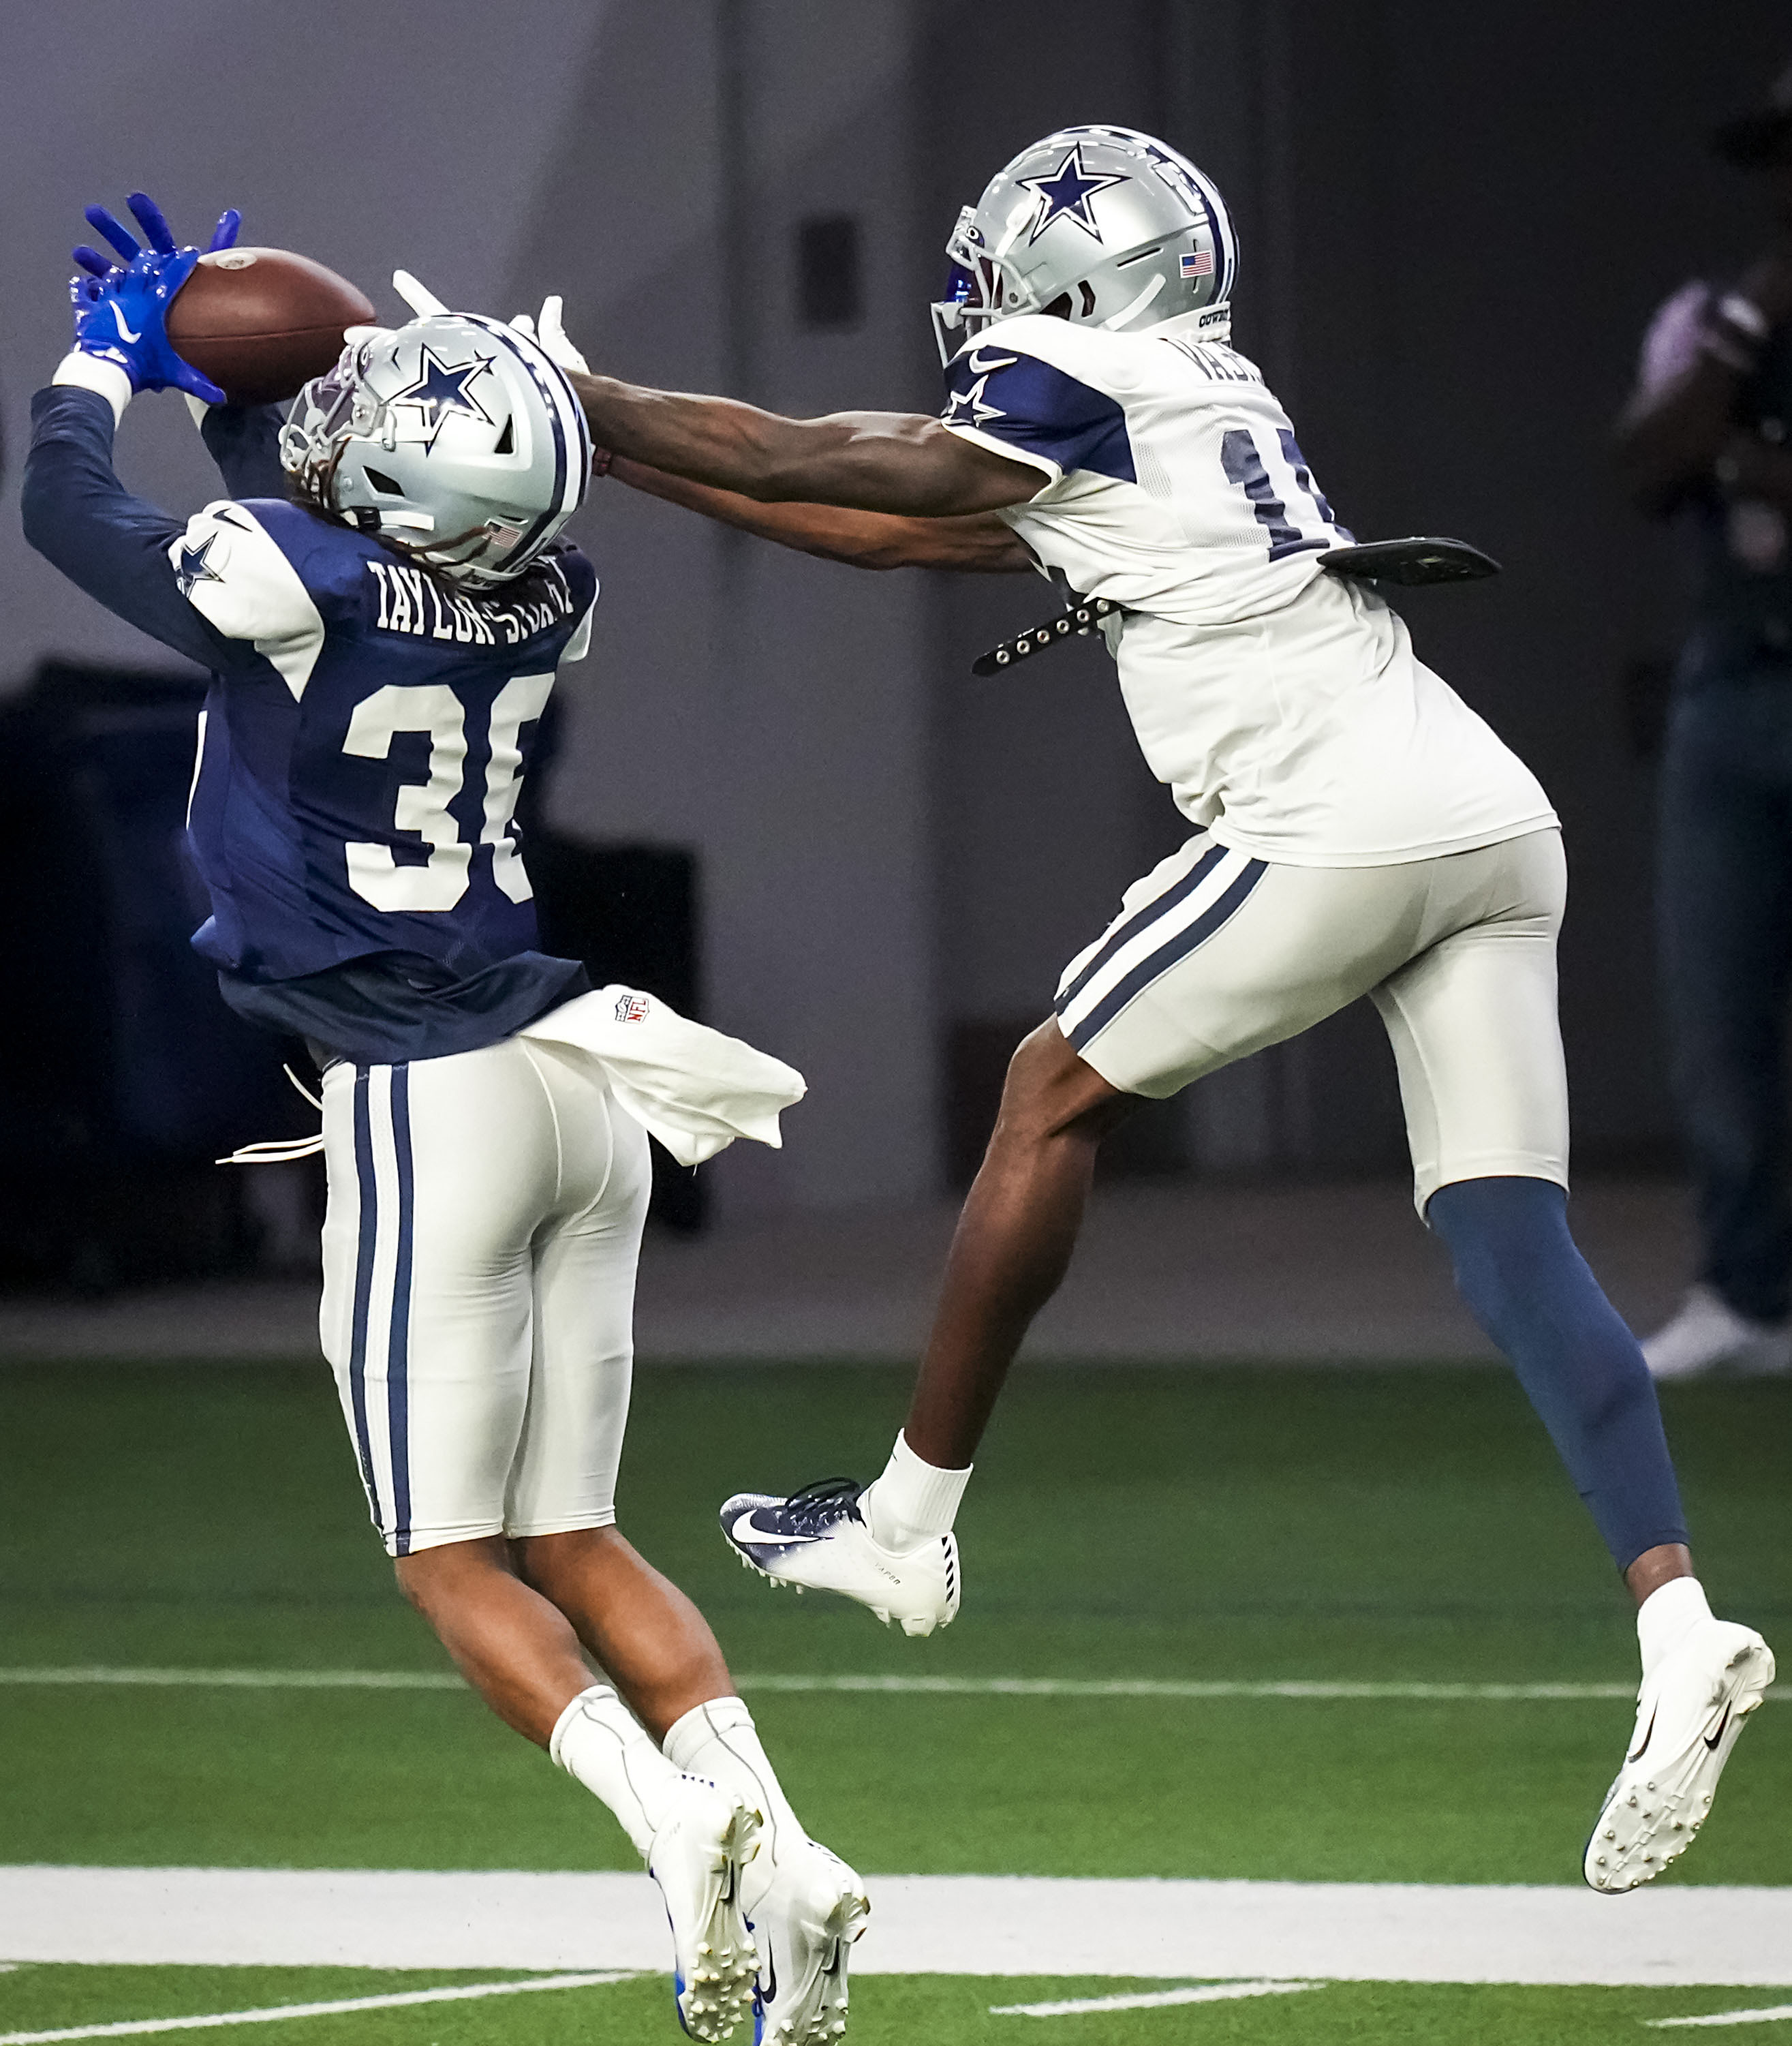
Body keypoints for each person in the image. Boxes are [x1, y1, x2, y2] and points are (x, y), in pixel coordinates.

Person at [540, 125, 1774, 1894]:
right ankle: (1674, 1634)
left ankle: (906, 1524)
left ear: (1068, 281)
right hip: (1484, 815)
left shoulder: (1080, 375)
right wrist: (615, 446)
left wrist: (592, 392)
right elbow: (877, 529)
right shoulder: (1187, 392)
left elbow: (845, 455)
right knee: (1510, 1238)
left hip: (1334, 819)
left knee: (1046, 1088)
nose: (970, 301)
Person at [22, 194, 866, 2046]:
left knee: (448, 1558)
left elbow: (77, 523)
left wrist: (104, 362)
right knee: (575, 1527)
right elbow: (345, 508)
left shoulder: (304, 573)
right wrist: (241, 391)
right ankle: (789, 1857)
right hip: (583, 1081)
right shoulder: (550, 588)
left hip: (431, 1093)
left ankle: (671, 1836)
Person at [1620, 65, 1792, 1381]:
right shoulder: (1711, 316)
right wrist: (1747, 325)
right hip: (1732, 684)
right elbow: (1643, 462)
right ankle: (1745, 1294)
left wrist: (1739, 460)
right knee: (1720, 1013)